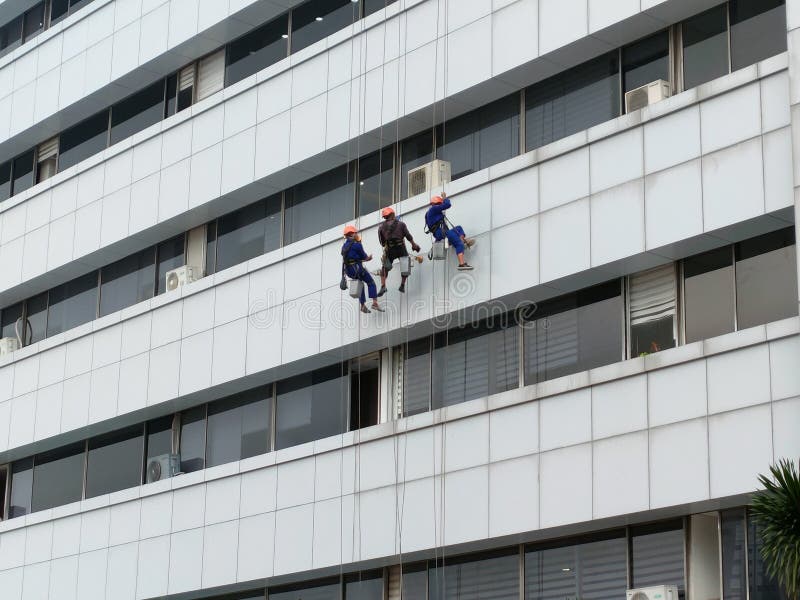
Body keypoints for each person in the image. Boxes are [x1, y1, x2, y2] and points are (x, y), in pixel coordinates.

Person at [425, 192, 475, 270]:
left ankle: (463, 242)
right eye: (440, 204)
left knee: (458, 228)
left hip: (441, 232)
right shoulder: (434, 209)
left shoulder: (433, 212)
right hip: (441, 233)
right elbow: (447, 205)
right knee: (458, 243)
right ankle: (461, 264)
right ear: (437, 203)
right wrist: (444, 198)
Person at [378, 206, 421, 294]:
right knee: (405, 266)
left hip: (390, 249)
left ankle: (383, 286)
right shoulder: (401, 224)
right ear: (392, 214)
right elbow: (408, 236)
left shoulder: (381, 227)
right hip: (401, 247)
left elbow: (382, 243)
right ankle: (402, 285)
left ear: (385, 217)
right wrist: (414, 245)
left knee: (385, 268)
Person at [341, 225, 384, 313]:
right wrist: (369, 258)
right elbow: (365, 257)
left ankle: (363, 305)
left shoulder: (344, 246)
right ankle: (375, 303)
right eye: (355, 233)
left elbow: (350, 257)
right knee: (370, 282)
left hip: (349, 271)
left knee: (360, 284)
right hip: (357, 269)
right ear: (352, 234)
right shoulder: (357, 245)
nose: (357, 234)